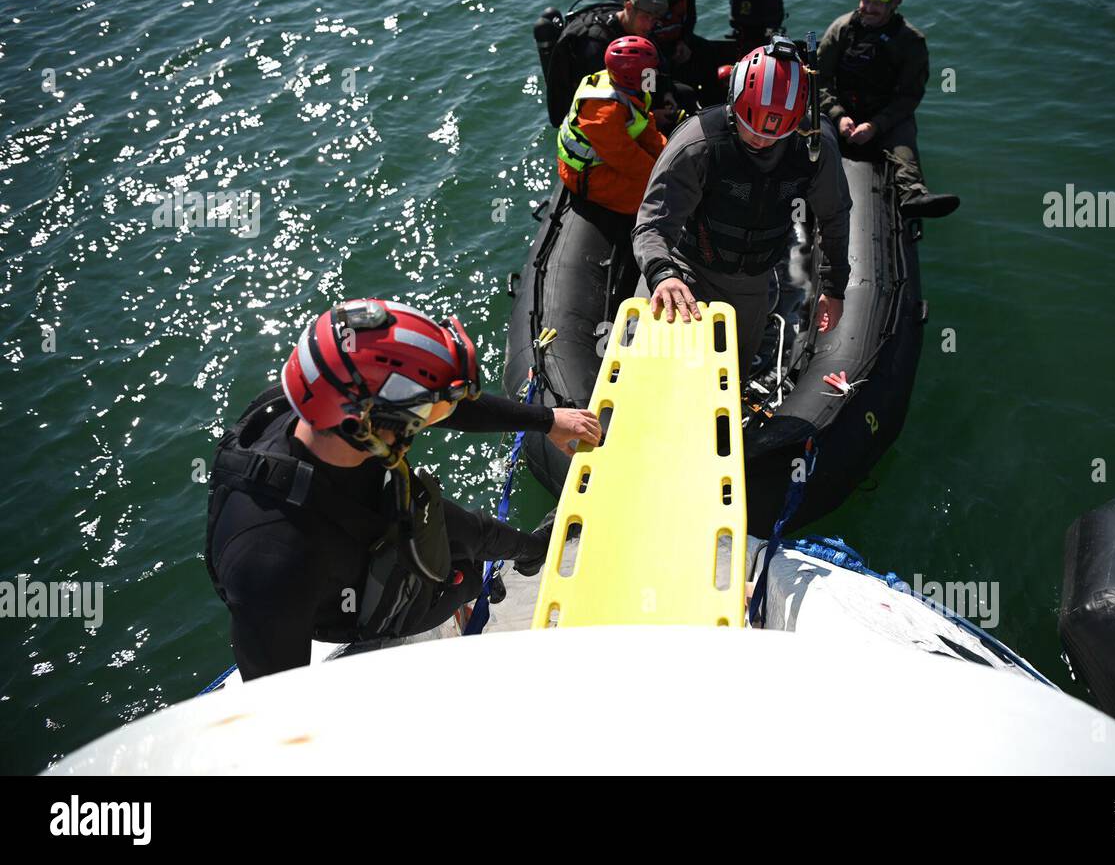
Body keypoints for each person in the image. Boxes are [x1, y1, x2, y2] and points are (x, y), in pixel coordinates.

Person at [205, 299, 601, 681]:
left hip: (382, 513)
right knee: (463, 575)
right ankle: (480, 585)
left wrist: (546, 420)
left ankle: (533, 556)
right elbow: (275, 701)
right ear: (367, 428)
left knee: (477, 532)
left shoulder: (323, 406)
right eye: (419, 415)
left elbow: (441, 404)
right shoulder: (271, 562)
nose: (430, 419)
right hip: (359, 595)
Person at [631, 36, 850, 382]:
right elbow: (652, 225)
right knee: (654, 369)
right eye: (752, 129)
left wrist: (834, 288)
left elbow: (834, 216)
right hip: (686, 268)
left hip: (750, 281)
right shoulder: (697, 143)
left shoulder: (815, 149)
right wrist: (662, 273)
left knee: (732, 375)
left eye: (774, 136)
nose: (761, 142)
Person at [818, 0, 959, 219]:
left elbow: (908, 97)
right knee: (811, 128)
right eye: (864, 0)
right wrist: (839, 116)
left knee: (903, 137)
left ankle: (911, 194)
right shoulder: (841, 29)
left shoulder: (910, 42)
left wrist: (876, 125)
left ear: (894, 4)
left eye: (876, 4)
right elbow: (820, 79)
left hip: (884, 114)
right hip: (842, 110)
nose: (867, 8)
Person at [557, 36, 667, 230]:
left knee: (666, 173)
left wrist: (670, 156)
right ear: (631, 77)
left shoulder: (629, 89)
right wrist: (664, 177)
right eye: (650, 71)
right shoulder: (603, 115)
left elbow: (644, 124)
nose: (655, 73)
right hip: (586, 172)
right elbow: (627, 159)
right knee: (651, 195)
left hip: (612, 155)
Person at [545, 0, 669, 129]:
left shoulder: (641, 30)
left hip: (635, 100)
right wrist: (652, 115)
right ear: (629, 7)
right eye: (646, 18)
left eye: (655, 19)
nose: (650, 25)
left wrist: (665, 94)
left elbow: (650, 70)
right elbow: (603, 103)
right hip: (602, 117)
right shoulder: (595, 46)